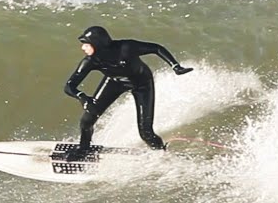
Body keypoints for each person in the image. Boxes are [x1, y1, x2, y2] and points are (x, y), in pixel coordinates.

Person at [62, 25, 193, 161]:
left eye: (86, 44)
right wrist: (82, 97)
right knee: (86, 121)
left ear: (97, 44)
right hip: (114, 82)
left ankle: (161, 154)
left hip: (141, 84)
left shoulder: (126, 47)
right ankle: (84, 148)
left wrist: (175, 66)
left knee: (146, 133)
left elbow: (156, 48)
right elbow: (69, 86)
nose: (83, 48)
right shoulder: (90, 61)